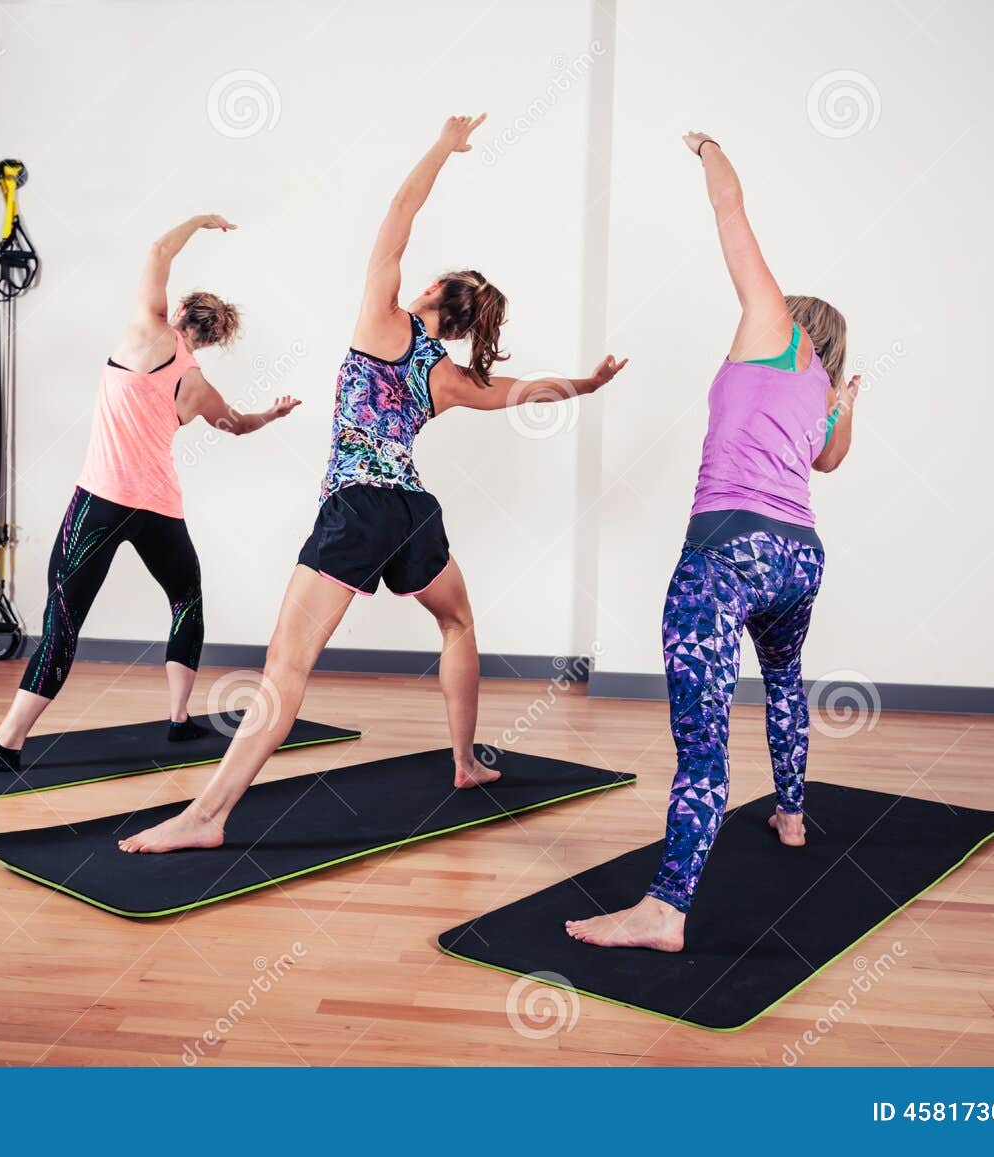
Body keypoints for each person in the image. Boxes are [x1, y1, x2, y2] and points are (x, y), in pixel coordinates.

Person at [119, 114, 627, 852]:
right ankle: (464, 762)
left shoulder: (382, 320)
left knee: (286, 665)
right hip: (414, 512)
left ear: (434, 290)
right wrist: (588, 383)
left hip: (357, 507)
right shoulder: (450, 377)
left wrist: (443, 147)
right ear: (463, 325)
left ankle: (206, 817)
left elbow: (399, 213)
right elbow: (523, 391)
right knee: (458, 623)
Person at [565, 132, 862, 951]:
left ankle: (665, 910)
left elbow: (731, 212)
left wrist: (710, 149)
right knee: (784, 678)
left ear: (793, 319)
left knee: (703, 738)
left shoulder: (774, 328)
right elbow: (829, 461)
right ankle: (792, 815)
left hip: (727, 554)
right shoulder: (820, 391)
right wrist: (847, 403)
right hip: (798, 559)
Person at [0, 214, 300, 776]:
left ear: (181, 311)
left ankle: (8, 742)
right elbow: (238, 426)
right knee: (186, 598)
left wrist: (202, 220)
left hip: (103, 501)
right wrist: (271, 414)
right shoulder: (199, 386)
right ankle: (179, 719)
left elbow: (157, 250)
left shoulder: (149, 331)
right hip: (159, 509)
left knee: (63, 618)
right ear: (212, 339)